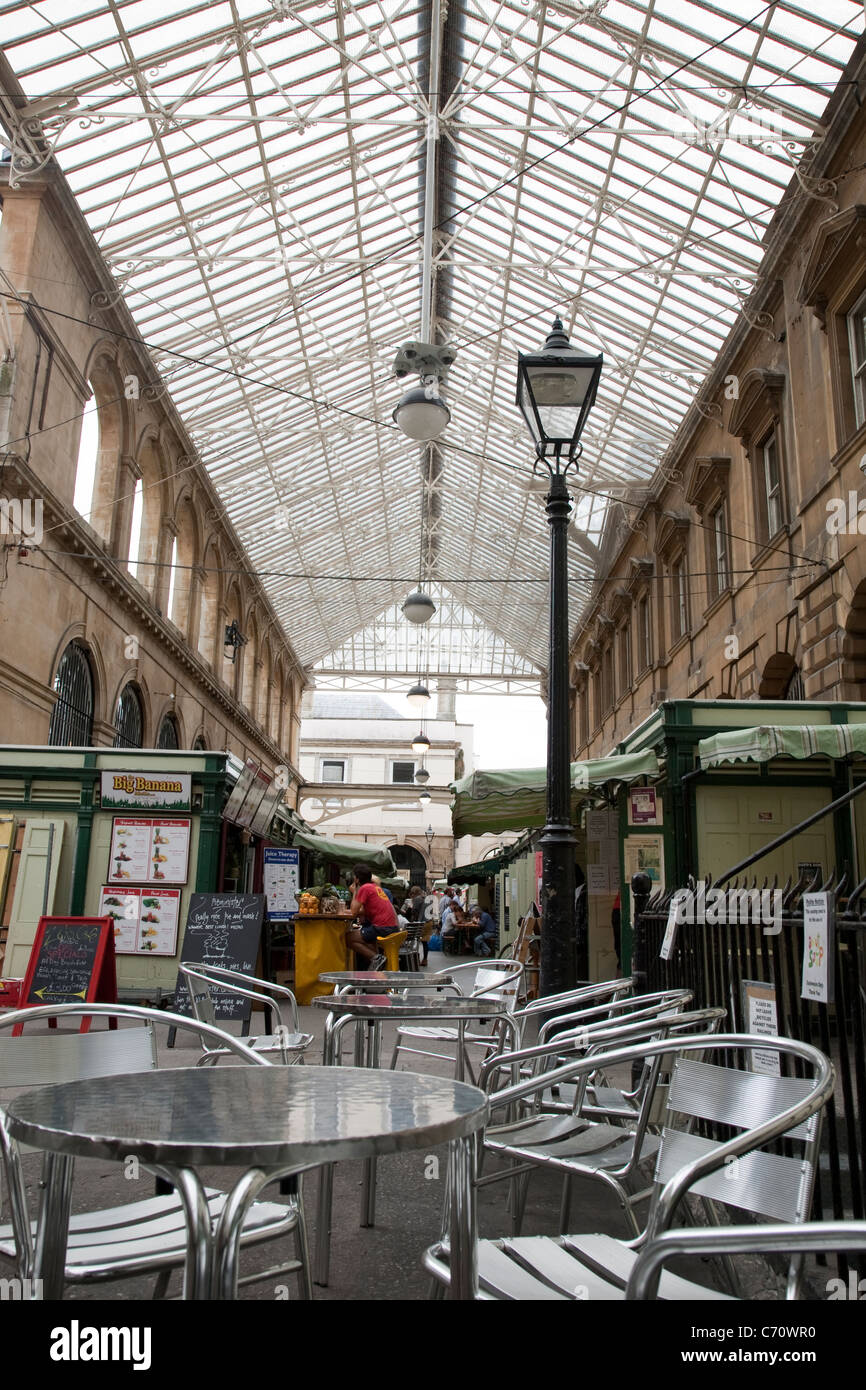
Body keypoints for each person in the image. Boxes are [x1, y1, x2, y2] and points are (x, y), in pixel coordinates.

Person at [345, 862, 398, 969]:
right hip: (391, 927)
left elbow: (353, 912)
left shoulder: (364, 888)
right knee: (368, 941)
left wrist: (355, 890)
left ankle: (377, 958)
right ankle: (378, 963)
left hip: (383, 928)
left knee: (348, 938)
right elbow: (365, 911)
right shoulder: (375, 887)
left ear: (356, 879)